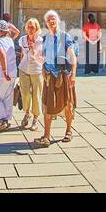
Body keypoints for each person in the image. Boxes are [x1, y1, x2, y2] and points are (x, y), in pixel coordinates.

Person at [36, 9, 77, 147]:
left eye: (53, 19)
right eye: (48, 20)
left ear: (58, 21)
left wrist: (73, 75)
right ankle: (46, 136)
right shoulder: (45, 38)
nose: (51, 21)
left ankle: (69, 131)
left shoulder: (66, 37)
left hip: (63, 75)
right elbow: (41, 57)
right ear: (46, 23)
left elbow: (72, 56)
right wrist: (41, 64)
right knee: (47, 105)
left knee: (67, 104)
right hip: (49, 76)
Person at [17, 18, 44, 131]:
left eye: (32, 27)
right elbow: (22, 55)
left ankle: (35, 118)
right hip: (23, 69)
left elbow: (40, 56)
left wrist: (33, 48)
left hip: (36, 70)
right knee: (25, 94)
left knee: (36, 95)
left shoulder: (40, 41)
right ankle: (27, 113)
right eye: (28, 27)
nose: (30, 29)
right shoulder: (22, 39)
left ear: (37, 28)